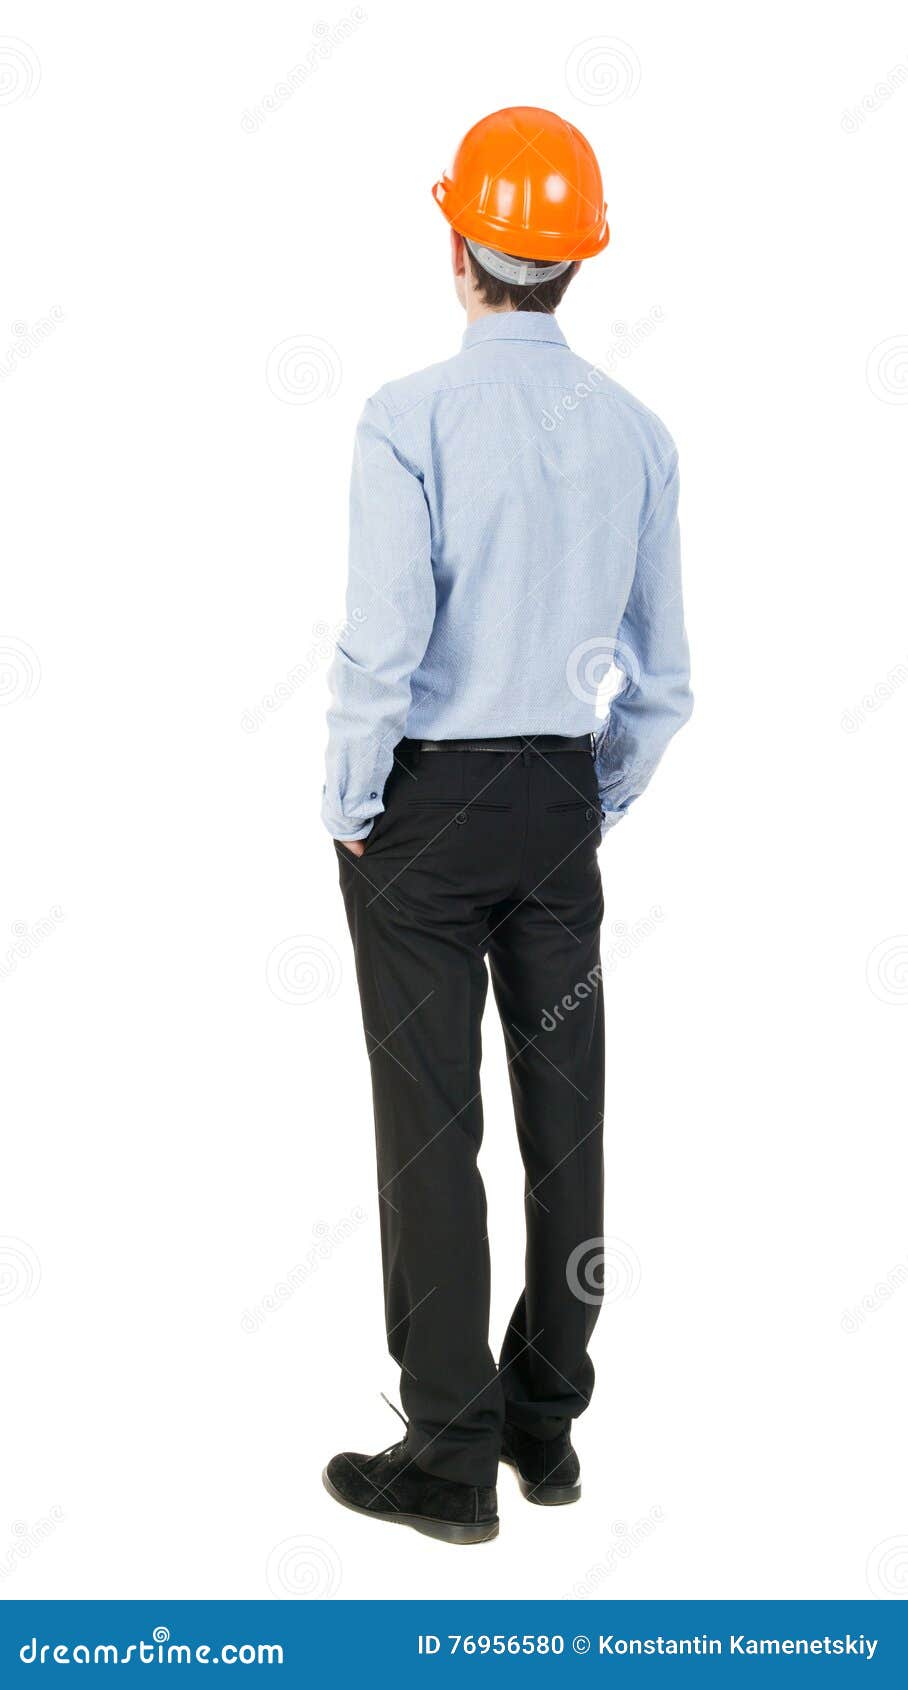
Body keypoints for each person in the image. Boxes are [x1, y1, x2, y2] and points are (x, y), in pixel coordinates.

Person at [320, 106, 692, 1545]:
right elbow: (662, 683)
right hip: (552, 805)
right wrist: (584, 793)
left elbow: (382, 646)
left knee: (431, 1131)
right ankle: (548, 1418)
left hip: (418, 808)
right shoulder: (639, 434)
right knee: (566, 1117)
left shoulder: (406, 419)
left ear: (458, 243)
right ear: (574, 260)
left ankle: (451, 1451)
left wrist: (355, 802)